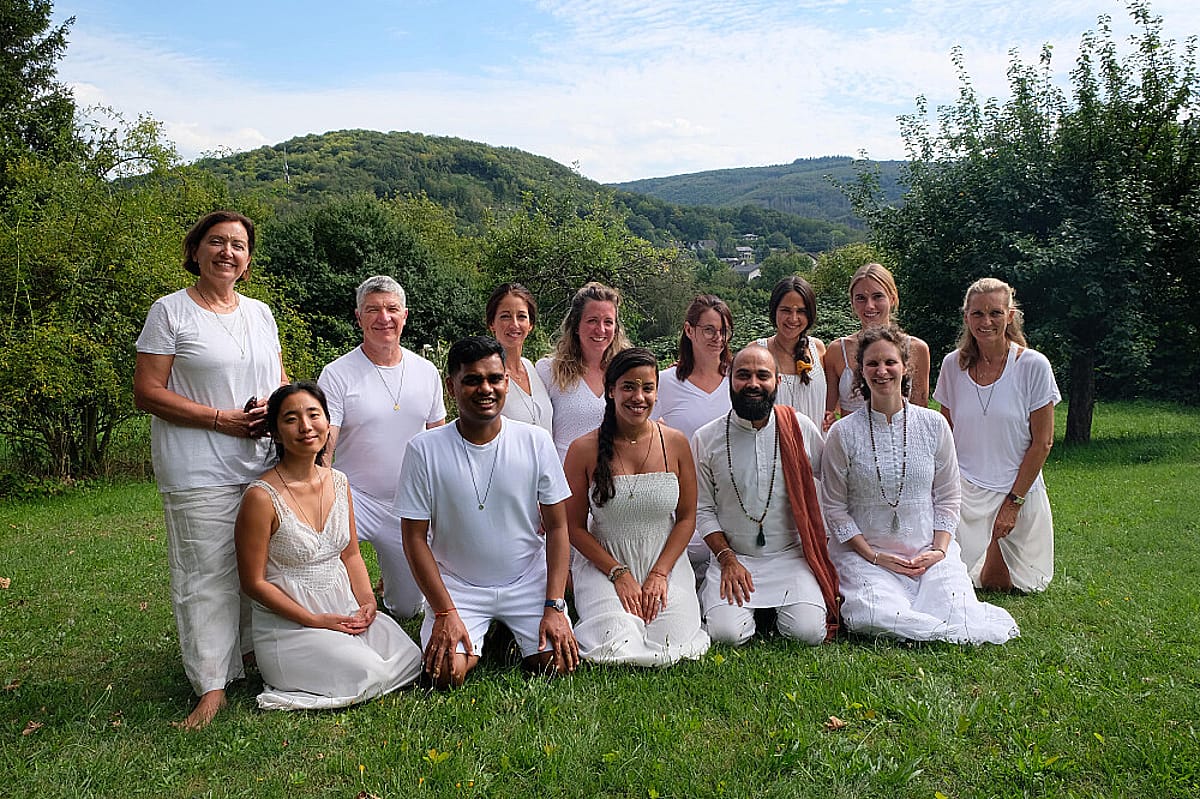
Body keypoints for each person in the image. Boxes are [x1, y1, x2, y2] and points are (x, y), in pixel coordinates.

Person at [133, 210, 287, 729]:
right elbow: (147, 392)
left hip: (261, 463)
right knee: (207, 574)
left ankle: (247, 657)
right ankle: (211, 686)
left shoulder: (261, 314)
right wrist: (221, 419)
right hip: (199, 465)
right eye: (216, 242)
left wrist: (276, 409)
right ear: (195, 251)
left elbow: (279, 379)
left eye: (238, 245)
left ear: (247, 261)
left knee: (259, 568)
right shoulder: (170, 311)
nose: (228, 252)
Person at [397, 336, 579, 688]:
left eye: (494, 378)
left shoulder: (535, 441)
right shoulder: (423, 450)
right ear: (451, 386)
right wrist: (445, 612)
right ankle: (484, 631)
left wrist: (554, 605)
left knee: (557, 664)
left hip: (527, 580)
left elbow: (558, 529)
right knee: (445, 675)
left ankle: (510, 635)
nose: (486, 388)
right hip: (459, 586)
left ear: (506, 383)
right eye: (472, 380)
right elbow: (414, 538)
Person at [822, 326, 1018, 644]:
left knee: (960, 611)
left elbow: (948, 494)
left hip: (928, 553)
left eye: (889, 362)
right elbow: (834, 506)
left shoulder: (933, 425)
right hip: (866, 558)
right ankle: (913, 616)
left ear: (905, 366)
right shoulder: (843, 433)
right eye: (872, 364)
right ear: (861, 370)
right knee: (873, 615)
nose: (881, 371)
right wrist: (873, 556)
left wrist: (939, 550)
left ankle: (932, 612)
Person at [235, 382, 422, 710]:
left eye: (313, 415)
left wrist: (367, 604)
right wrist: (314, 620)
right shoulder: (261, 497)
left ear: (326, 422)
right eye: (291, 419)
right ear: (276, 433)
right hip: (291, 625)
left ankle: (353, 647)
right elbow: (253, 583)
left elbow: (350, 553)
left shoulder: (339, 481)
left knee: (410, 657)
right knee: (372, 673)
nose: (306, 427)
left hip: (344, 609)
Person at [564, 348, 711, 666]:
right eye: (628, 386)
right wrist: (618, 574)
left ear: (657, 391)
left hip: (664, 560)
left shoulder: (675, 443)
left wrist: (660, 573)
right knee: (613, 645)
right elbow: (573, 527)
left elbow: (686, 517)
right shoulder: (582, 449)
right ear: (611, 390)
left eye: (647, 387)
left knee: (671, 640)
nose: (638, 396)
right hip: (606, 562)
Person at [692, 345, 840, 645]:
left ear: (778, 382)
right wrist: (727, 559)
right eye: (743, 375)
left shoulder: (798, 427)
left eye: (763, 375)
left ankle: (774, 607)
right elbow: (703, 509)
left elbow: (832, 481)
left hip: (790, 556)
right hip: (734, 557)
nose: (753, 384)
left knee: (808, 634)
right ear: (730, 381)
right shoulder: (706, 438)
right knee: (726, 636)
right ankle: (741, 603)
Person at [317, 276, 445, 619]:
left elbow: (439, 439)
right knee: (335, 593)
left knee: (406, 608)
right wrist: (317, 494)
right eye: (372, 310)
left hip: (407, 503)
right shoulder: (337, 374)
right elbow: (324, 442)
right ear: (359, 317)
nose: (383, 318)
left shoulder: (426, 371)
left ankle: (391, 588)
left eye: (391, 309)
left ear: (405, 315)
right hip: (352, 496)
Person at [933, 278, 1060, 592]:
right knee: (949, 579)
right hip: (963, 494)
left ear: (1010, 316)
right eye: (977, 314)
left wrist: (1013, 504)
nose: (986, 321)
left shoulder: (1033, 366)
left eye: (995, 313)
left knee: (1001, 584)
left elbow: (1042, 442)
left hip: (1016, 490)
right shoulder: (952, 366)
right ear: (966, 318)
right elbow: (944, 435)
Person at [652, 294, 734, 574]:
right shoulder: (665, 383)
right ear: (689, 331)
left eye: (723, 331)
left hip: (732, 496)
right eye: (709, 329)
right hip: (683, 499)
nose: (718, 338)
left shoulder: (740, 379)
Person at [824, 263, 930, 430]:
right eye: (861, 298)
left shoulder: (916, 349)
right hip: (852, 446)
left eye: (878, 296)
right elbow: (828, 414)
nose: (869, 306)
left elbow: (921, 411)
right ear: (852, 302)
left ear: (892, 298)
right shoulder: (837, 351)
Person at [536, 282, 631, 461]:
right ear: (576, 325)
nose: (601, 329)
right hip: (564, 480)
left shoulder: (626, 372)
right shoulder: (549, 371)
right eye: (592, 320)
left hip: (614, 479)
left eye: (608, 322)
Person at [757, 276, 828, 429]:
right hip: (773, 450)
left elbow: (833, 404)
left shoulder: (818, 349)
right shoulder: (757, 352)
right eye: (786, 310)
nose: (793, 318)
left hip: (817, 449)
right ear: (774, 310)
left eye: (801, 311)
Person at [486, 282, 553, 434]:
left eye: (521, 316)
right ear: (492, 324)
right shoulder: (488, 377)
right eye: (505, 317)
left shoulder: (532, 368)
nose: (514, 324)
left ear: (530, 325)